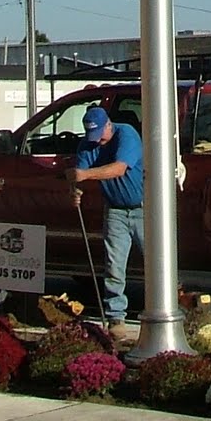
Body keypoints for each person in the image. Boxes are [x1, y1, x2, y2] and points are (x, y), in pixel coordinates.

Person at [66, 105, 144, 345]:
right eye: (92, 135)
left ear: (109, 125)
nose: (97, 140)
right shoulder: (89, 144)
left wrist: (84, 176)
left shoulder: (127, 134)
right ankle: (115, 318)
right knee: (114, 265)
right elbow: (79, 173)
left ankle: (167, 308)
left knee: (157, 263)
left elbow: (119, 168)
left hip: (144, 208)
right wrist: (75, 190)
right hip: (115, 210)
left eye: (100, 133)